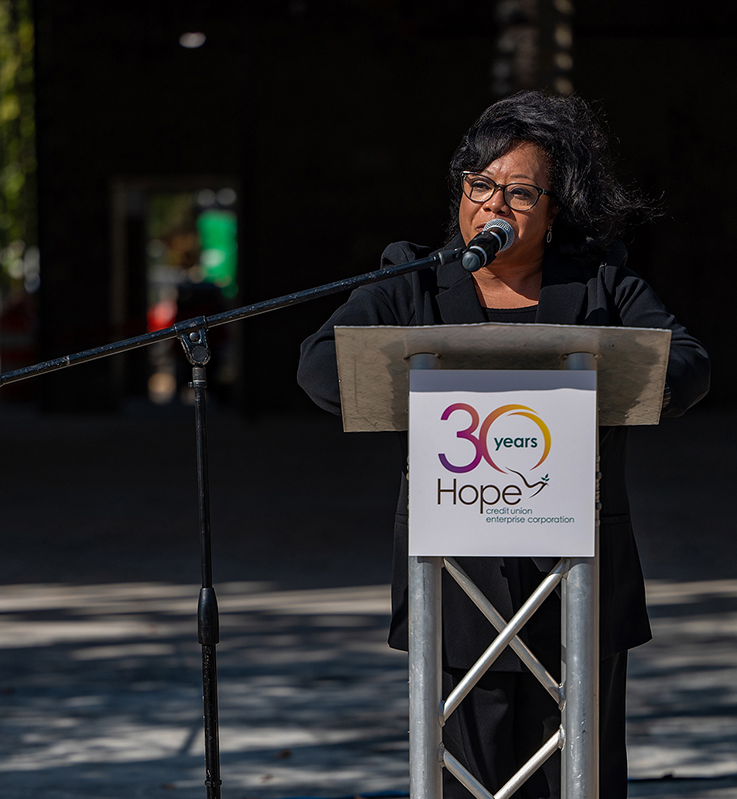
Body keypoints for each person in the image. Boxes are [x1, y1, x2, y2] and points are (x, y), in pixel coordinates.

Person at [296, 91, 711, 799]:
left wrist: (615, 379)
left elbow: (689, 361)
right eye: (479, 185)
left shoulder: (601, 283)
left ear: (556, 209)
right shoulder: (412, 280)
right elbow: (319, 365)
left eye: (520, 192)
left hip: (578, 576)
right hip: (454, 586)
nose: (493, 207)